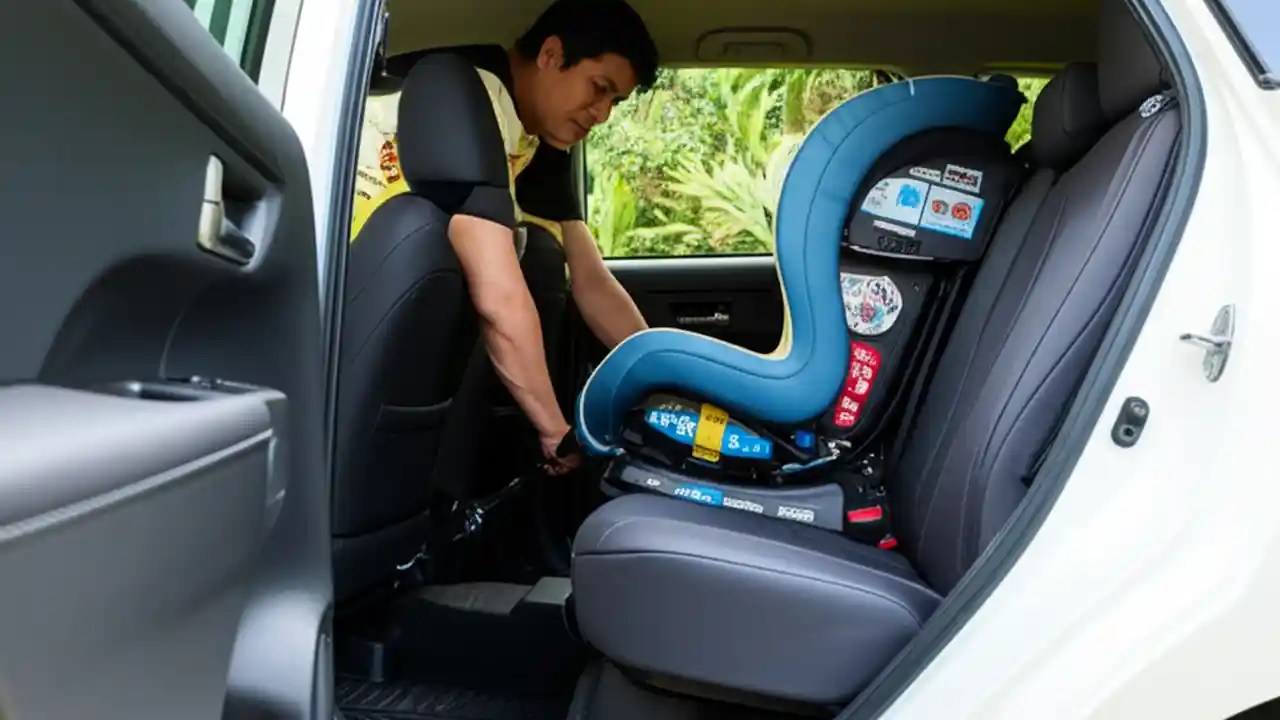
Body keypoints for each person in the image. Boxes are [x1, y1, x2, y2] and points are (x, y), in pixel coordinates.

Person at [350, 0, 658, 476]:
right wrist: (555, 431)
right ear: (552, 55)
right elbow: (498, 297)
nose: (602, 115)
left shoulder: (536, 139)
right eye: (600, 89)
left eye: (614, 102)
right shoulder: (469, 96)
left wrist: (665, 377)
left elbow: (591, 282)